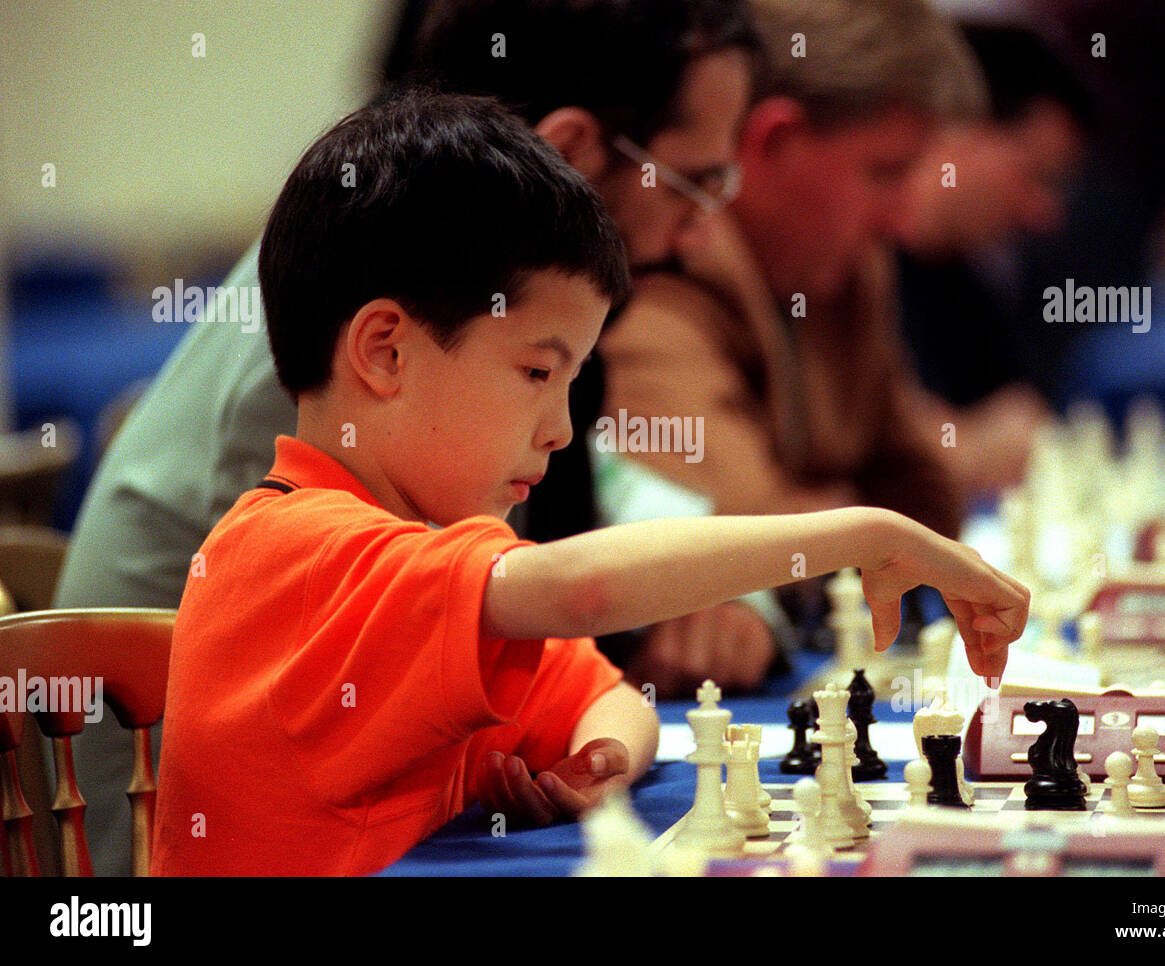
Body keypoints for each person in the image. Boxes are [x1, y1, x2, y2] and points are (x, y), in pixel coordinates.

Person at [151, 89, 1028, 874]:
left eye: (573, 383)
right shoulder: (294, 551)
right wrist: (864, 534)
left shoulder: (428, 555)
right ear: (385, 351)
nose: (562, 428)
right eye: (537, 373)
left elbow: (606, 694)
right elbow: (582, 595)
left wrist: (598, 755)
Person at [57, 0, 772, 874]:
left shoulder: (452, 335)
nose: (701, 238)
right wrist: (850, 538)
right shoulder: (337, 418)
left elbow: (575, 625)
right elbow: (560, 587)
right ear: (576, 150)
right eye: (695, 183)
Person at [599, 0, 985, 646]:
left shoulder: (847, 274)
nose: (904, 221)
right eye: (885, 171)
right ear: (775, 140)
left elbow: (925, 503)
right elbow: (735, 540)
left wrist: (828, 515)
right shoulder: (663, 263)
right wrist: (848, 519)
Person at [895, 19, 1094, 496]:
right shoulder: (848, 269)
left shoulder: (965, 280)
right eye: (1037, 176)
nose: (1045, 215)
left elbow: (1025, 416)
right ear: (958, 133)